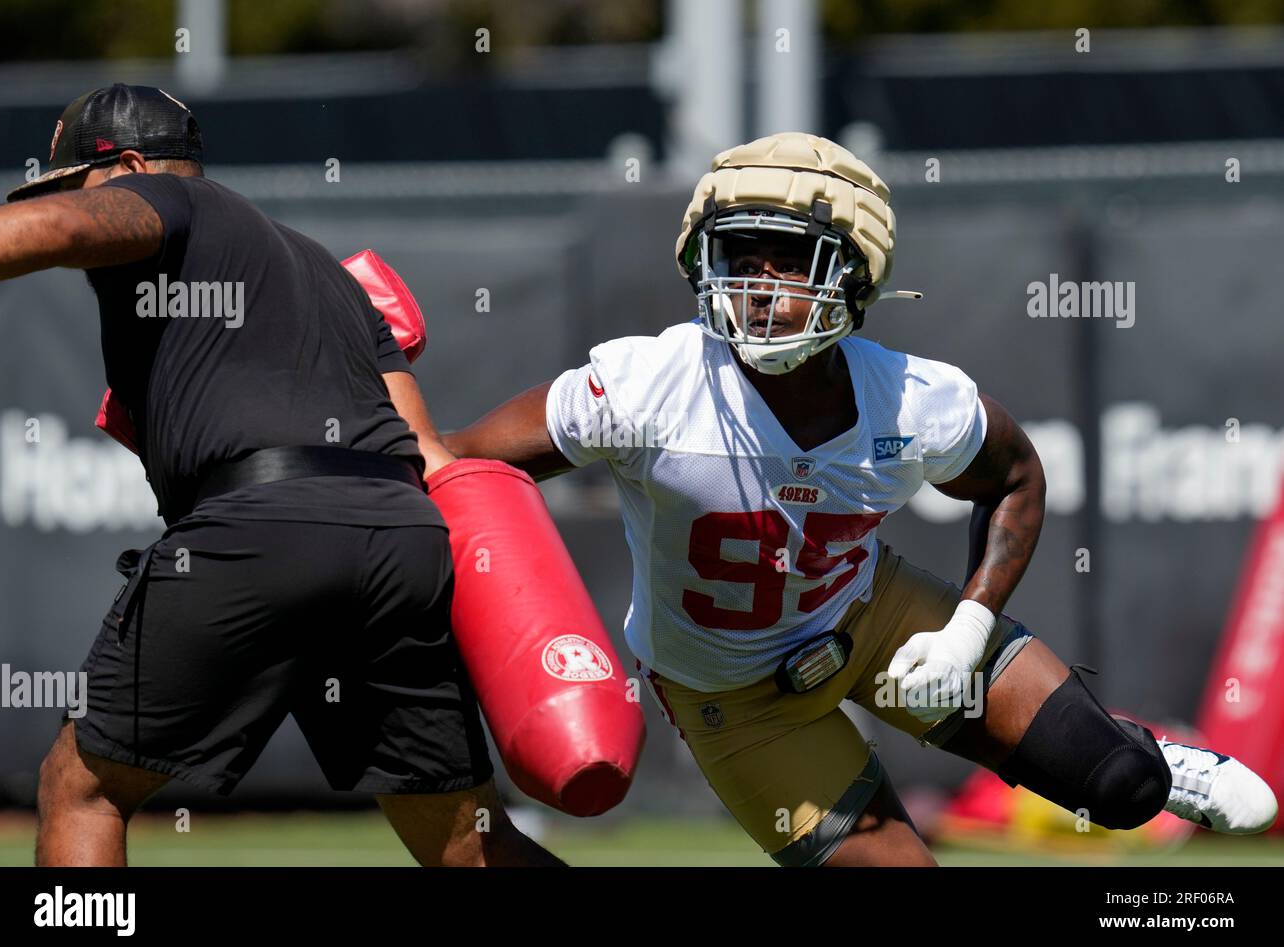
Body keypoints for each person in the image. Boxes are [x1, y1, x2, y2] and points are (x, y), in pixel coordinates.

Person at [444, 131, 1278, 866]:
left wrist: (968, 630)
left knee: (1121, 785)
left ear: (852, 274)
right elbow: (467, 472)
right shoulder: (647, 384)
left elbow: (1017, 477)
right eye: (740, 256)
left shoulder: (913, 401)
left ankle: (1152, 757)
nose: (758, 285)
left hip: (873, 617)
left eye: (786, 257)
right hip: (733, 699)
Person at [0, 84, 561, 866]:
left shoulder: (163, 202)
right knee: (464, 842)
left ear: (125, 168)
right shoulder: (329, 273)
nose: (72, 203)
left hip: (263, 531)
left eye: (74, 179)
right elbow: (428, 456)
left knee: (80, 787)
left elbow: (57, 226)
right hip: (397, 539)